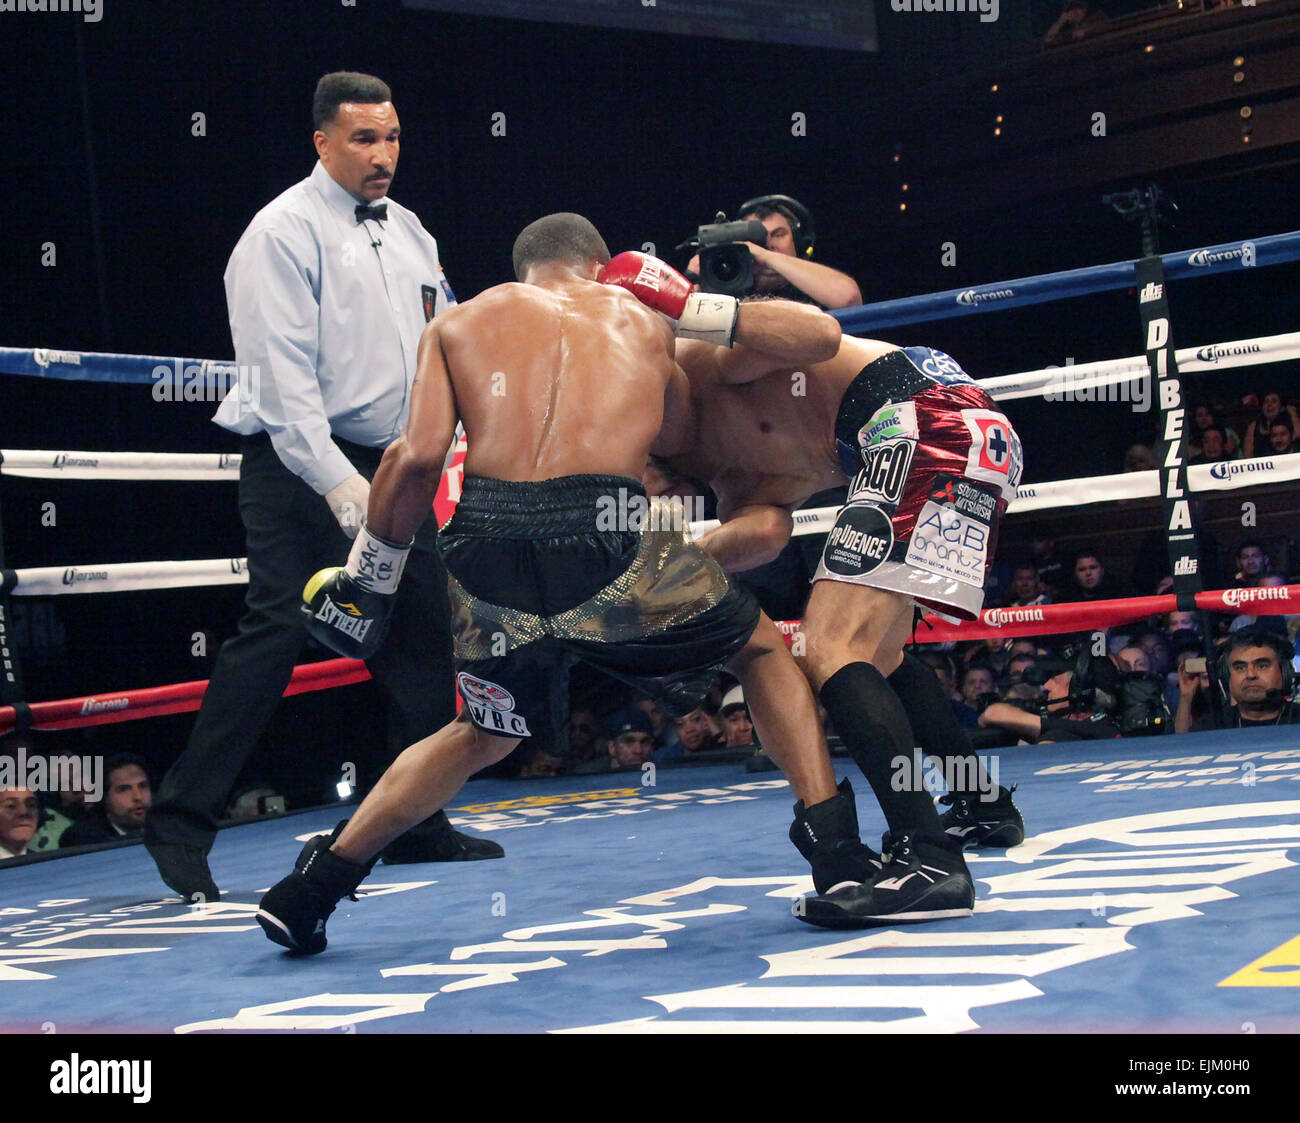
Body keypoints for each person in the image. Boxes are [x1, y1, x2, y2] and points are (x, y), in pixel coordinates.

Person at [257, 216, 879, 954]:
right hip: (604, 533)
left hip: (484, 543)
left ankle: (313, 888)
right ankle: (838, 852)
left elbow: (415, 457)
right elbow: (694, 426)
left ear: (523, 270)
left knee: (481, 729)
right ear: (598, 262)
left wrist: (373, 581)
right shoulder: (643, 320)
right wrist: (685, 317)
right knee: (761, 652)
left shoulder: (458, 323)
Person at [144, 72, 499, 903]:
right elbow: (282, 391)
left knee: (423, 635)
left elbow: (446, 335)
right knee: (274, 633)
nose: (384, 157)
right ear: (322, 143)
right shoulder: (279, 233)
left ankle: (413, 821)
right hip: (300, 461)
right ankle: (181, 821)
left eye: (393, 138)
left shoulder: (409, 229)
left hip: (396, 458)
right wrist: (347, 492)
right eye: (364, 140)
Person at [663, 313, 1027, 928]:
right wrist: (684, 562)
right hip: (960, 429)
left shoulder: (697, 361)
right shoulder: (721, 467)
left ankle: (930, 860)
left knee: (829, 647)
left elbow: (821, 335)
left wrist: (692, 305)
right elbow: (768, 529)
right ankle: (980, 801)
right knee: (878, 657)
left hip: (917, 420)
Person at [688, 195, 861, 310]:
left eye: (778, 234)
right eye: (757, 237)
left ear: (798, 242)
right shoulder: (724, 289)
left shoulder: (815, 288)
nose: (768, 244)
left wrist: (765, 256)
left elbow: (849, 299)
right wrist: (693, 281)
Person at [1177, 626, 1299, 731]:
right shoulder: (1211, 726)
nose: (1250, 675)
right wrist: (1186, 698)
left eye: (1262, 666)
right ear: (1227, 677)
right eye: (1240, 668)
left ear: (1285, 673)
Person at [61, 754, 153, 846]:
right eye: (124, 789)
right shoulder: (82, 838)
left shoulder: (164, 825)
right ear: (104, 798)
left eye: (143, 786)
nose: (138, 796)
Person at [1242, 390, 1300, 458]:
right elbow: (1247, 456)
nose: (1269, 405)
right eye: (1266, 402)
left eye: (1274, 401)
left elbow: (1298, 436)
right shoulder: (1254, 427)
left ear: (1281, 407)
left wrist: (1292, 412)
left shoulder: (1290, 421)